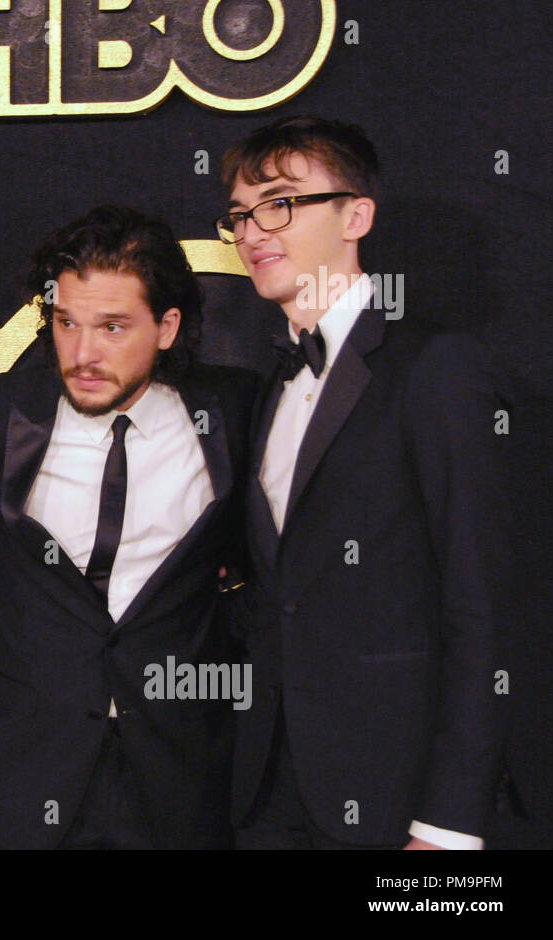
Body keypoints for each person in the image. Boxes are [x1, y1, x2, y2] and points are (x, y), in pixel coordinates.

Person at [0, 206, 259, 848]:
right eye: (66, 322)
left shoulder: (234, 411)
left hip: (183, 768)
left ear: (168, 327)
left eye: (113, 327)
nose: (83, 353)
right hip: (26, 766)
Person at [218, 115, 506, 848]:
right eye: (241, 214)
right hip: (270, 796)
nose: (254, 231)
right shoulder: (270, 385)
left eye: (280, 202)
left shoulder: (435, 367)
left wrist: (449, 823)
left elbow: (485, 608)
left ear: (356, 215)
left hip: (400, 797)